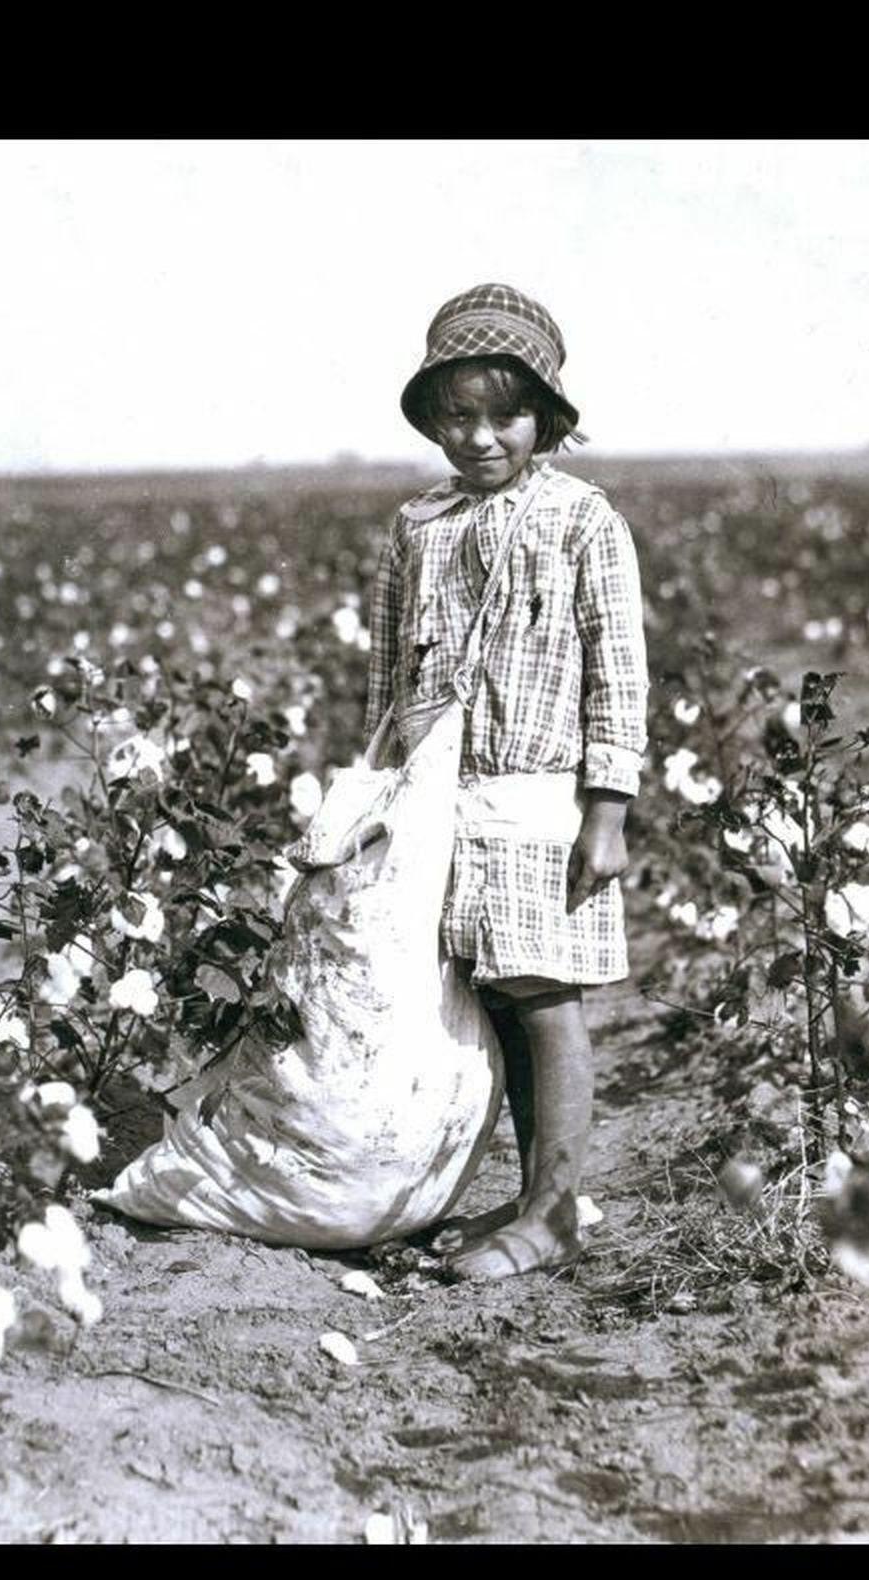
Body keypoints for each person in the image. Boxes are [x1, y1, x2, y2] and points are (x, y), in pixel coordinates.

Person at [364, 284, 648, 1280]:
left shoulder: (581, 521)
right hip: (443, 800)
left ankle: (554, 1210)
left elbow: (618, 671)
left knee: (543, 996)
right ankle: (532, 1197)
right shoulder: (417, 526)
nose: (480, 437)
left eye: (504, 416)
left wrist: (607, 811)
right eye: (458, 417)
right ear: (432, 420)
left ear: (545, 418)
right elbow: (386, 678)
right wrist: (381, 791)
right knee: (491, 996)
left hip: (539, 797)